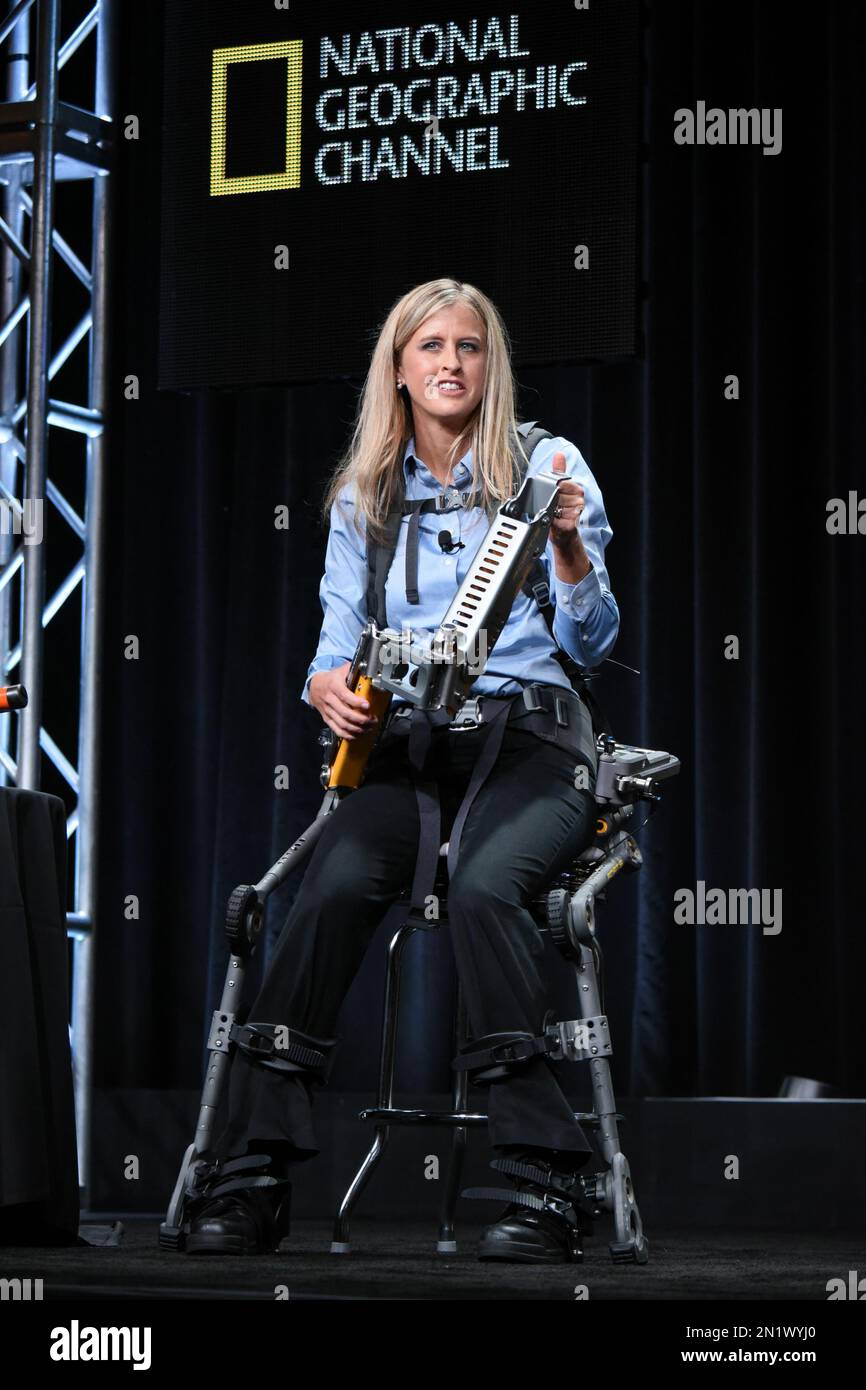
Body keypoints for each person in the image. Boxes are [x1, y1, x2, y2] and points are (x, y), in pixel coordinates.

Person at [184, 277, 620, 1264]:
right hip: (410, 751)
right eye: (429, 346)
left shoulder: (544, 465)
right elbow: (333, 646)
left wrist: (566, 554)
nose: (450, 363)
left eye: (468, 346)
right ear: (399, 366)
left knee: (481, 889)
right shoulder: (363, 498)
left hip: (532, 745)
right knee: (327, 887)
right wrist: (324, 687)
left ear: (489, 364)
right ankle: (252, 1173)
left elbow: (592, 642)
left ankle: (548, 1178)